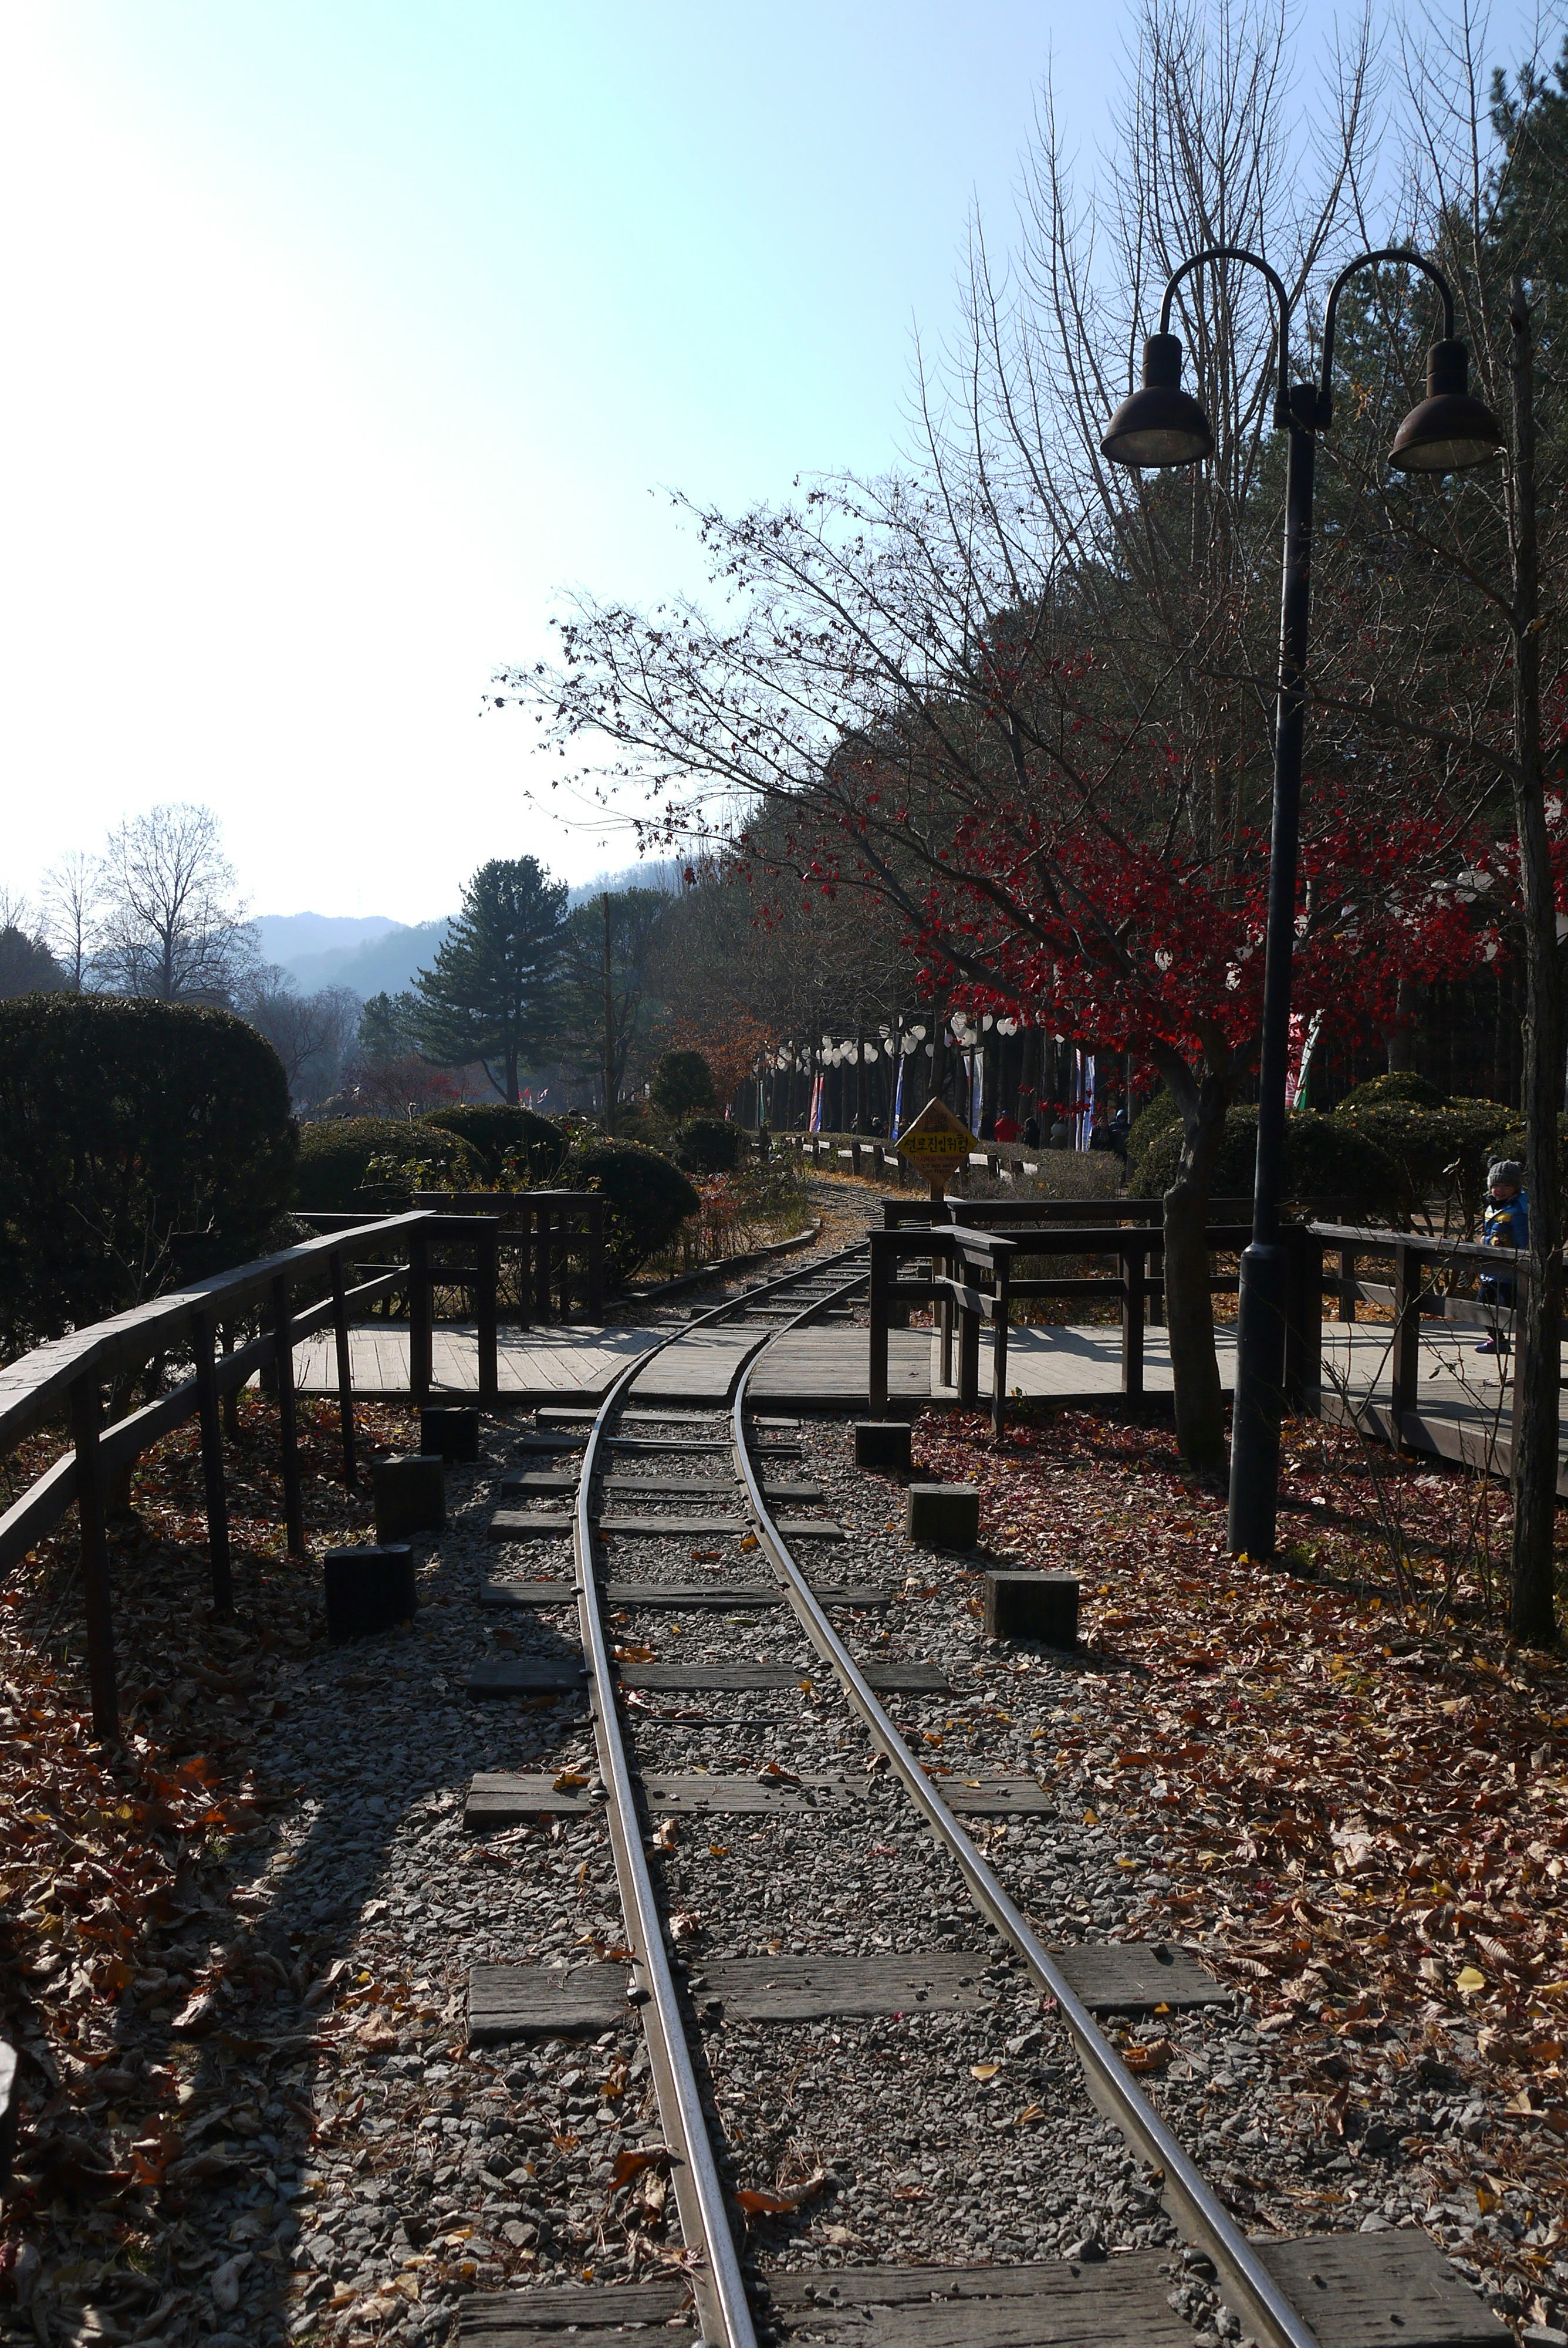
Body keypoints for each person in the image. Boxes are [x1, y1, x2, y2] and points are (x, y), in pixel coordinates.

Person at [1476, 1159, 1528, 1357]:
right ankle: (1497, 1340)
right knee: (1482, 1306)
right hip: (1490, 1269)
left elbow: (1524, 1240)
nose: (1500, 1190)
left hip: (1511, 1272)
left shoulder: (1519, 1210)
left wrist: (1523, 1261)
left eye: (1506, 1185)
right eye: (1496, 1185)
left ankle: (1527, 1347)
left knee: (1509, 1310)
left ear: (1515, 1187)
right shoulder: (1492, 1207)